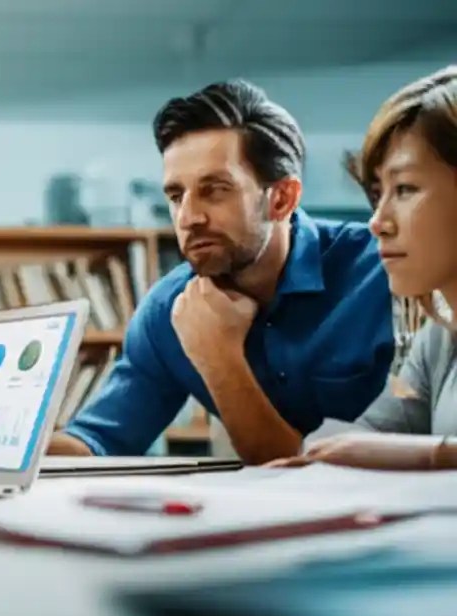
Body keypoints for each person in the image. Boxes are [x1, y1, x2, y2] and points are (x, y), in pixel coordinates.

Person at [49, 79, 396, 465]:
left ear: (282, 198)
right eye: (176, 196)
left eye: (214, 190)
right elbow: (98, 441)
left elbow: (301, 469)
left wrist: (217, 356)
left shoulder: (385, 272)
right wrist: (3, 450)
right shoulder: (167, 310)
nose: (188, 217)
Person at [270, 66, 456, 471]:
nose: (378, 220)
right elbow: (370, 434)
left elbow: (380, 449)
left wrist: (431, 454)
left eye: (404, 188)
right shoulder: (438, 343)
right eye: (377, 194)